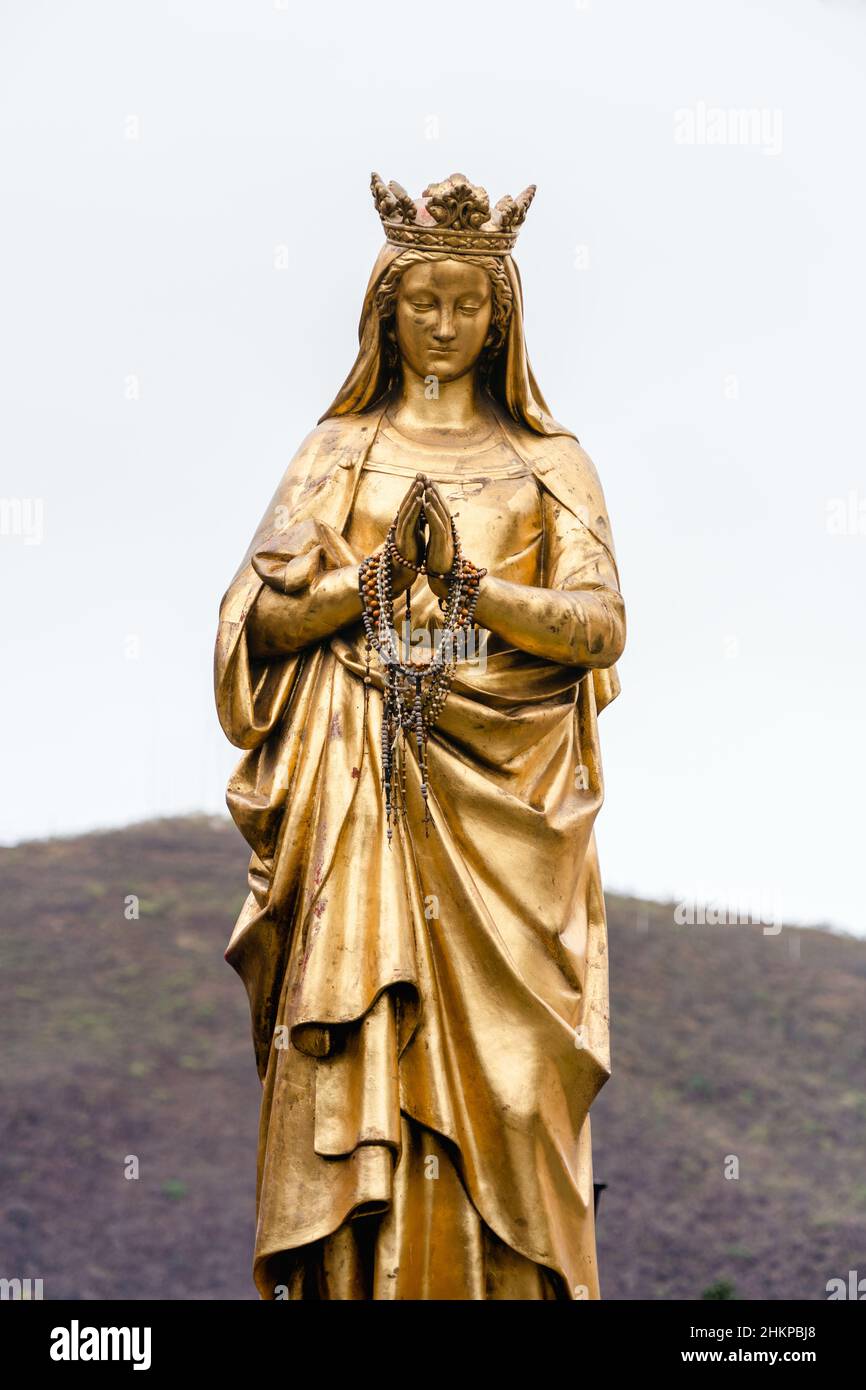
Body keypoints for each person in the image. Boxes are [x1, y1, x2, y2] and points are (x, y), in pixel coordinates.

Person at [214, 173, 626, 1299]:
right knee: (358, 1038)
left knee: (508, 1086)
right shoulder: (334, 451)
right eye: (422, 305)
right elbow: (259, 619)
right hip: (361, 793)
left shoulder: (552, 464)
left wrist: (471, 587)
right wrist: (374, 582)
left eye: (467, 305)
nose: (444, 325)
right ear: (383, 313)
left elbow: (600, 624)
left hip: (505, 821)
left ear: (503, 317)